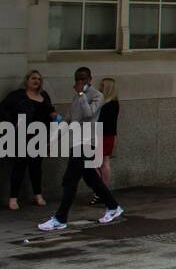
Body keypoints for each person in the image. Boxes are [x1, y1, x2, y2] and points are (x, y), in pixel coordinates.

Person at [38, 67, 123, 231]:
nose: (80, 82)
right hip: (77, 141)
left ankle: (60, 218)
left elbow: (88, 112)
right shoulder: (77, 97)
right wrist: (53, 140)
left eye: (83, 79)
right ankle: (113, 206)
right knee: (91, 178)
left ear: (90, 79)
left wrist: (81, 94)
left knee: (70, 179)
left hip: (87, 142)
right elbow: (69, 119)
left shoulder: (97, 95)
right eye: (77, 79)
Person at [2, 70, 56, 211]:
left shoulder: (44, 96)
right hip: (23, 136)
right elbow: (2, 109)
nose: (36, 81)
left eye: (39, 78)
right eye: (33, 78)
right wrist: (13, 124)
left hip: (40, 136)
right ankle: (13, 198)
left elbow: (50, 113)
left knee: (36, 167)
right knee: (19, 167)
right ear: (27, 80)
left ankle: (38, 195)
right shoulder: (17, 95)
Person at [89, 77, 120, 206]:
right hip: (109, 135)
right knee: (104, 162)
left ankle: (100, 191)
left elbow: (98, 120)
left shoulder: (106, 104)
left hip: (101, 135)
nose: (100, 88)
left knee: (95, 163)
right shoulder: (115, 103)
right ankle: (103, 190)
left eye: (102, 86)